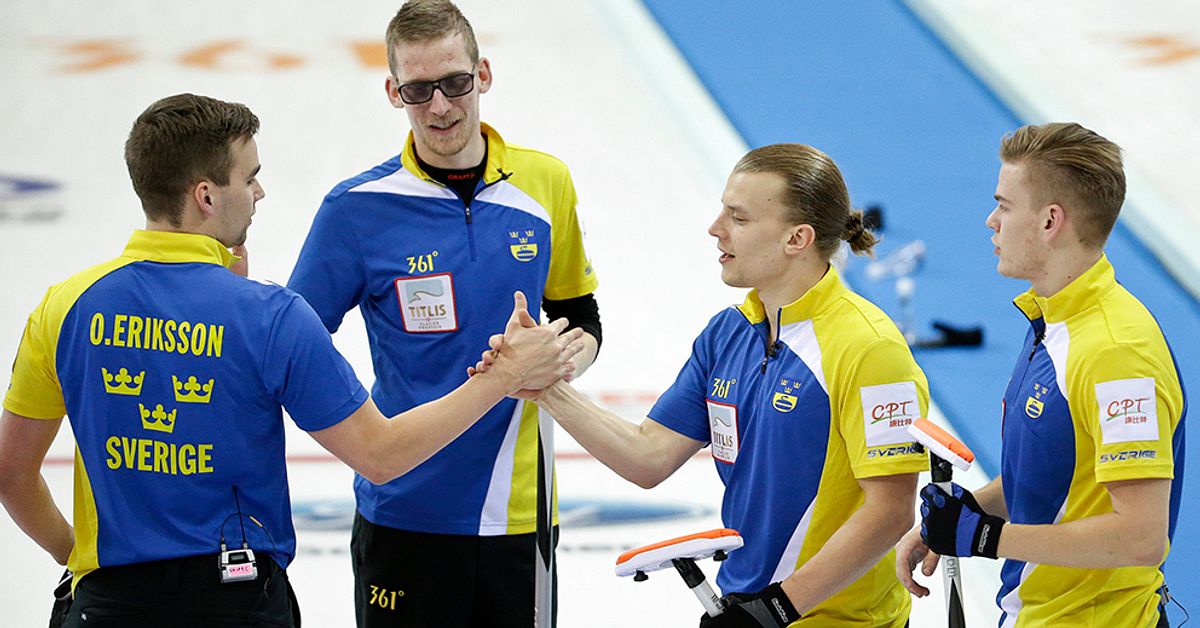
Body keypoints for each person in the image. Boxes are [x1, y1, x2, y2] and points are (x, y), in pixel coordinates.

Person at [0, 93, 583, 627]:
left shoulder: (65, 306)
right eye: (249, 178)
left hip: (108, 606)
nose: (259, 193)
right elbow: (380, 455)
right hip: (237, 601)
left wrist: (76, 557)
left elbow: (11, 472)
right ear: (206, 195)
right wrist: (502, 376)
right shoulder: (270, 317)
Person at [478, 143, 929, 627]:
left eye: (738, 217)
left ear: (796, 238)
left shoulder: (870, 348)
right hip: (750, 609)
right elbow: (648, 456)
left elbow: (890, 511)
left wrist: (776, 609)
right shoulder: (727, 334)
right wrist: (546, 387)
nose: (716, 229)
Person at [286, 1, 602, 625]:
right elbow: (294, 343)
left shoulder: (546, 184)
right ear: (392, 91)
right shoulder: (356, 209)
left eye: (455, 83)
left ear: (483, 74)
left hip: (520, 516)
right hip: (404, 512)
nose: (440, 106)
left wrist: (558, 359)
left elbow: (581, 315)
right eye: (418, 89)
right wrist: (363, 431)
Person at [897, 122, 1186, 627]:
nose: (991, 221)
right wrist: (967, 512)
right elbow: (1058, 474)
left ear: (1051, 220)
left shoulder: (1117, 353)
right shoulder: (1055, 321)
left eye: (1005, 206)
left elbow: (1141, 537)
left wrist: (985, 537)